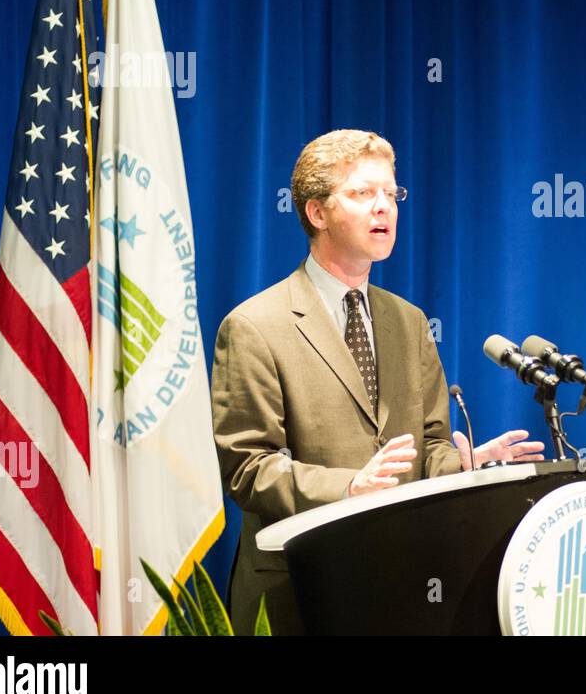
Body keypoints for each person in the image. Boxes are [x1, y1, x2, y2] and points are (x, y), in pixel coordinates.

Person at [211, 129, 543, 635]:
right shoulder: (255, 326)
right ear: (316, 212)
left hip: (401, 586)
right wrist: (348, 486)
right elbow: (248, 468)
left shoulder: (408, 322)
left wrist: (468, 466)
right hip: (299, 589)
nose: (383, 207)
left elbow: (430, 448)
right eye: (363, 193)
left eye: (391, 193)